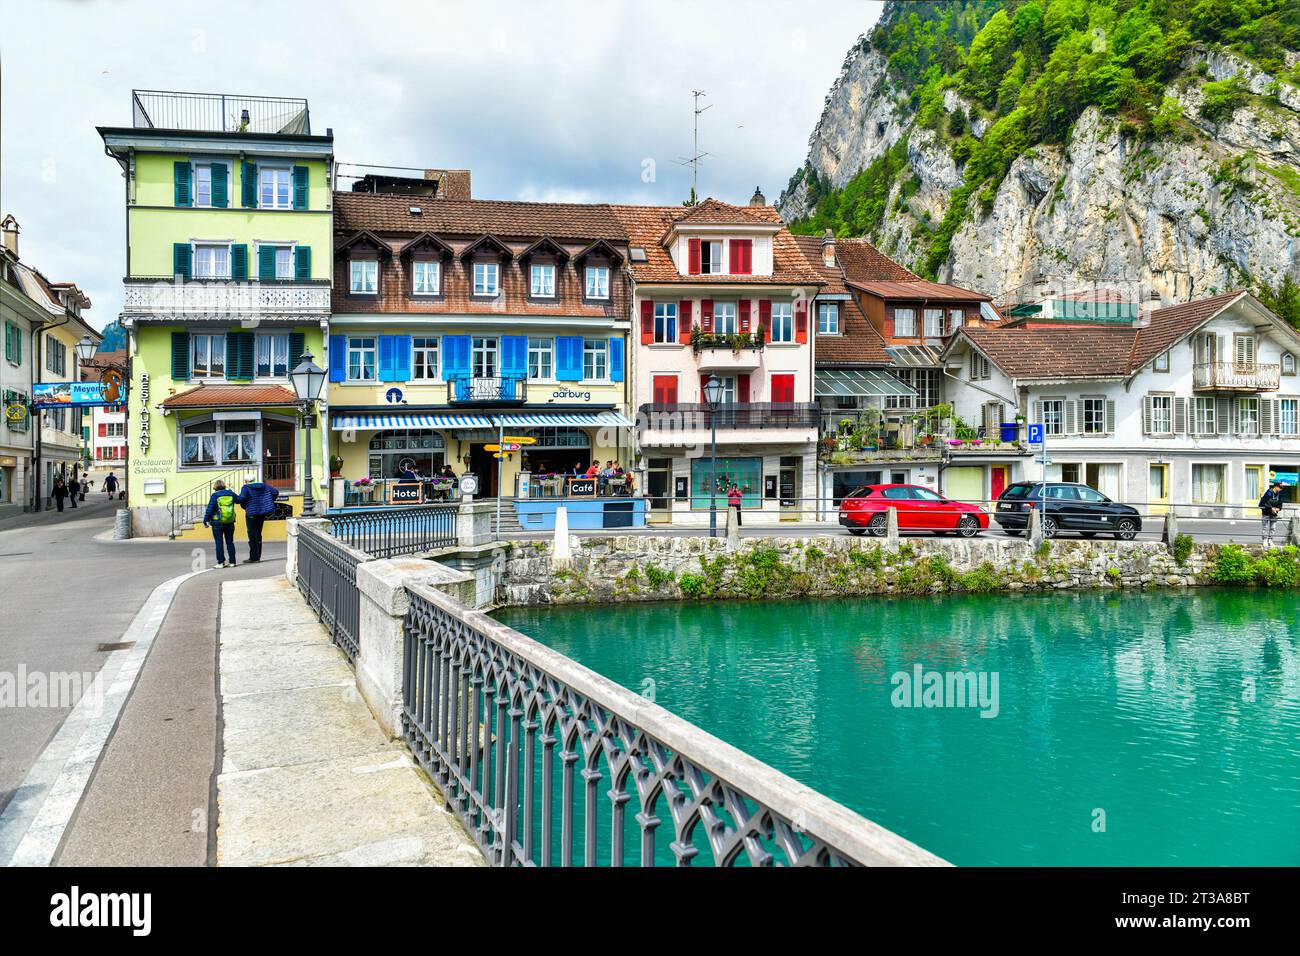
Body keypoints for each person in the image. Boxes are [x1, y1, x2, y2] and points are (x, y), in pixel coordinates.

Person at [237, 478, 277, 563]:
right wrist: (268, 501)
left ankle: (254, 557)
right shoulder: (264, 485)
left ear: (246, 481)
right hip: (261, 512)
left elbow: (242, 498)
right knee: (258, 533)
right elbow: (275, 492)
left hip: (251, 513)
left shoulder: (246, 487)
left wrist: (245, 506)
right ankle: (258, 556)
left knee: (252, 534)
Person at [203, 479, 239, 568]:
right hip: (230, 521)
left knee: (219, 543)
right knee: (230, 542)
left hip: (217, 522)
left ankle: (221, 563)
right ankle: (232, 562)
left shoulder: (215, 496)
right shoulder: (230, 493)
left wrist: (205, 520)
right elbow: (239, 500)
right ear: (224, 485)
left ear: (215, 487)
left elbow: (210, 509)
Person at [1259, 480, 1285, 548]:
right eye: (1280, 487)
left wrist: (1278, 509)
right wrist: (1271, 508)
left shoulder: (1279, 494)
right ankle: (1265, 540)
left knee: (1273, 528)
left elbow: (1280, 503)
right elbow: (1264, 502)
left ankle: (1270, 540)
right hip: (1266, 513)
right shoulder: (1269, 493)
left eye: (1281, 488)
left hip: (1274, 514)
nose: (1281, 489)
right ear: (1276, 487)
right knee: (1265, 527)